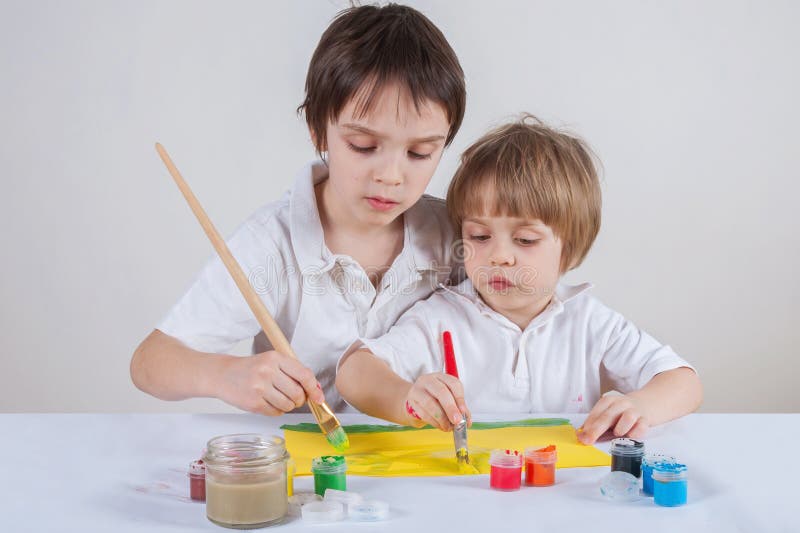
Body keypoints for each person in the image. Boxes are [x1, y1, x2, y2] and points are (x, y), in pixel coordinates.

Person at [130, 4, 466, 415]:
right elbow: (149, 363)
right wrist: (224, 375)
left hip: (422, 465)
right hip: (308, 469)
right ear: (317, 129)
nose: (391, 176)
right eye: (363, 146)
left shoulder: (454, 233)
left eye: (420, 152)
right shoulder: (271, 243)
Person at [336, 115, 703, 444]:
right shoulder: (442, 316)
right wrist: (406, 397)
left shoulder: (589, 322)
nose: (499, 255)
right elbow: (355, 371)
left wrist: (638, 405)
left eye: (525, 240)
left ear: (571, 250)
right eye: (480, 237)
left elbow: (684, 382)